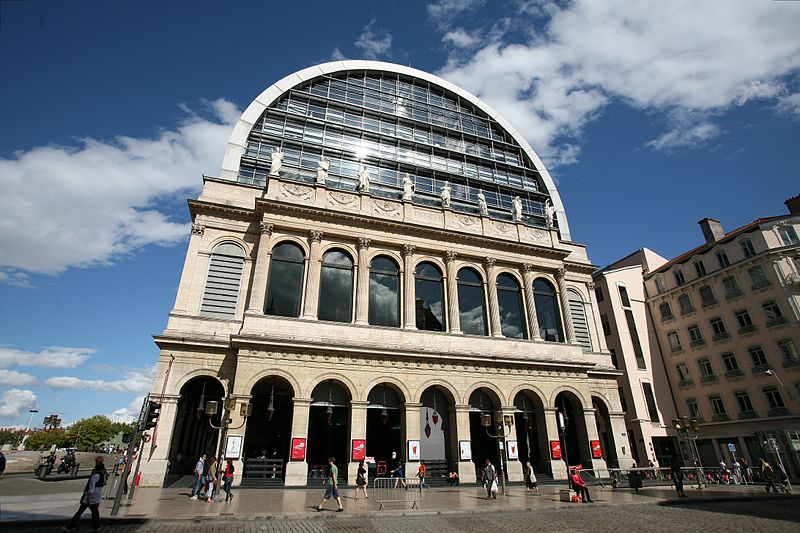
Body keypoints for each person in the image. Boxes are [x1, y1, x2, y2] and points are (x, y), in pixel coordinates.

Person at [61, 456, 106, 532]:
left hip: (90, 497)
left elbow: (91, 487)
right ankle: (96, 526)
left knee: (81, 511)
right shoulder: (103, 474)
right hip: (97, 496)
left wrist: (87, 497)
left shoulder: (95, 475)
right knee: (94, 512)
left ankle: (69, 526)